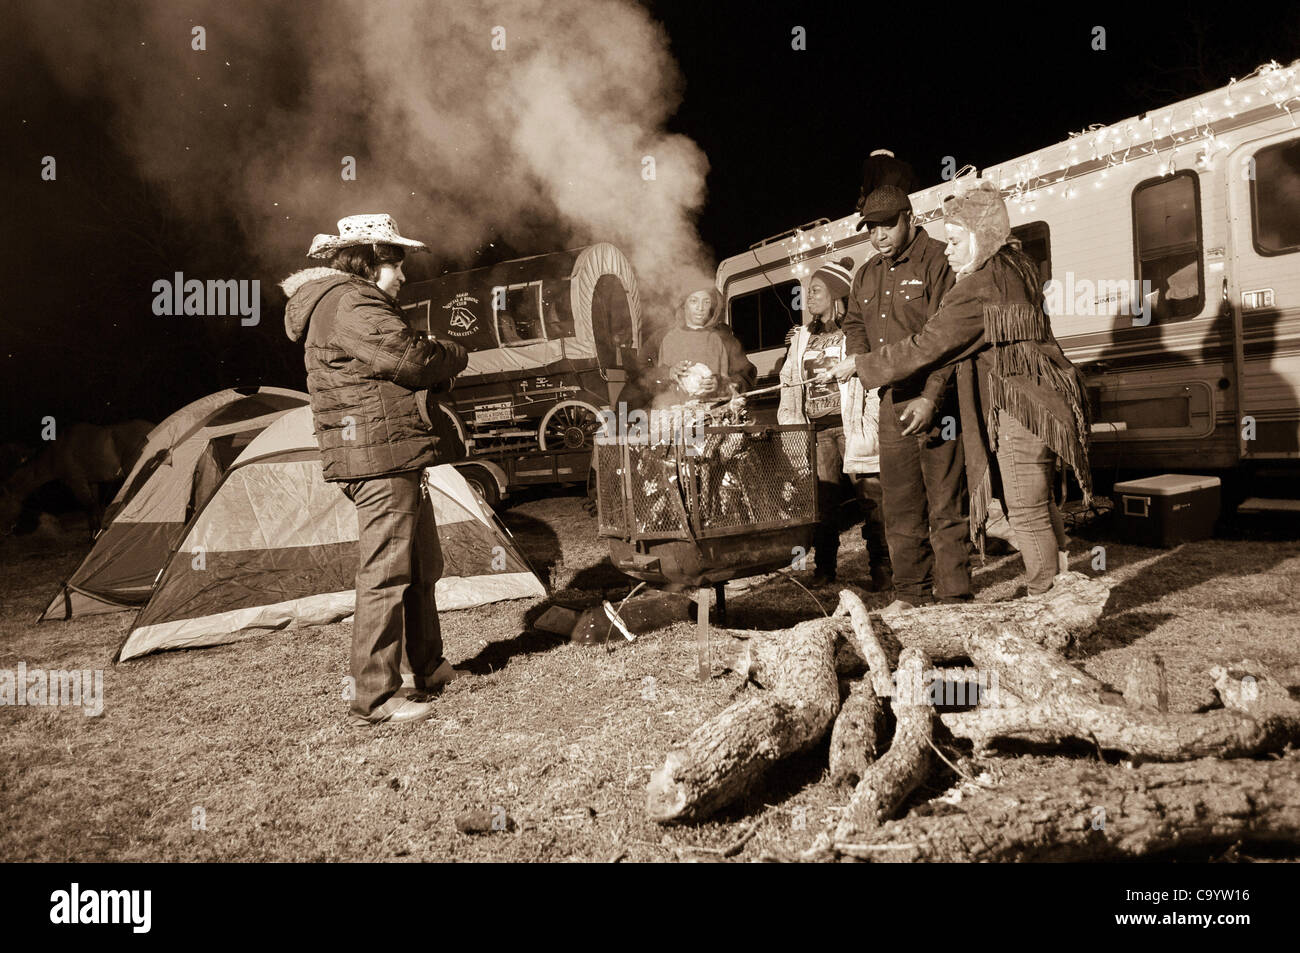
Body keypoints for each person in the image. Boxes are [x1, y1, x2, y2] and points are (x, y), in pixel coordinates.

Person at [830, 176, 1092, 596]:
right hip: (1029, 398)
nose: (947, 249)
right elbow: (864, 326)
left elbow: (931, 344)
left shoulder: (979, 285)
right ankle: (1057, 585)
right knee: (1033, 505)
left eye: (955, 240)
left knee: (1023, 509)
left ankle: (1046, 596)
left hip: (1019, 403)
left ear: (980, 237)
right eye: (947, 241)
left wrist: (866, 366)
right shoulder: (1011, 264)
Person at [282, 213, 470, 725]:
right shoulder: (351, 301)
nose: (402, 276)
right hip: (377, 457)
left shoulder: (347, 301)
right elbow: (409, 359)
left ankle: (426, 667)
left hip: (392, 452)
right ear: (369, 262)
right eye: (396, 264)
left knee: (420, 566)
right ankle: (376, 696)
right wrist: (453, 351)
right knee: (386, 574)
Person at [842, 181, 969, 608]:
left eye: (885, 226)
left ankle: (954, 595)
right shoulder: (867, 272)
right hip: (891, 402)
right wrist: (862, 363)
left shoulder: (938, 261)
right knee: (899, 505)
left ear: (909, 219)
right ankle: (911, 593)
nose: (877, 236)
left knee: (945, 504)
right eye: (870, 228)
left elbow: (949, 339)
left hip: (938, 401)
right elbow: (854, 324)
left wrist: (932, 396)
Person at [777, 258, 889, 589]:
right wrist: (792, 422)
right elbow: (789, 379)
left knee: (871, 498)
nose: (807, 297)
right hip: (818, 430)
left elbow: (870, 375)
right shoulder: (801, 337)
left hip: (852, 425)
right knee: (824, 503)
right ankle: (824, 569)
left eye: (815, 290)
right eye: (807, 291)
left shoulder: (855, 331)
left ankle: (882, 569)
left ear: (836, 294)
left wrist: (872, 420)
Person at [656, 287, 756, 402]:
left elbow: (747, 375)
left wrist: (721, 385)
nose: (700, 308)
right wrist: (668, 372)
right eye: (694, 301)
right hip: (674, 413)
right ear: (683, 305)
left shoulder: (725, 339)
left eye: (706, 302)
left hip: (715, 413)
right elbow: (641, 372)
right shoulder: (664, 337)